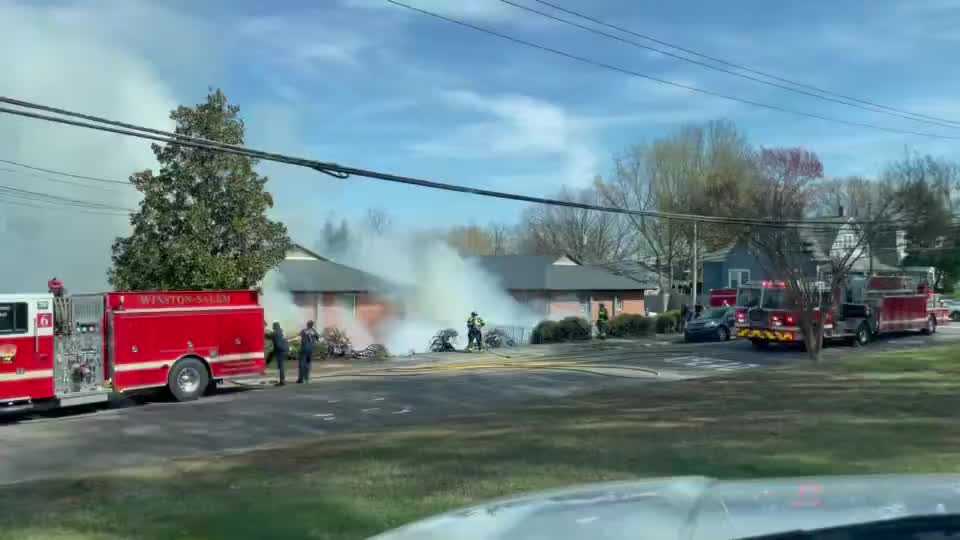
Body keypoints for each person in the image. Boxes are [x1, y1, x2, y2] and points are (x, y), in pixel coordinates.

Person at [266, 322, 289, 386]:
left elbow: (268, 336)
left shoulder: (275, 332)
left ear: (275, 327)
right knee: (272, 355)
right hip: (285, 349)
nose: (272, 327)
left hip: (280, 350)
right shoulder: (282, 331)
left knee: (281, 366)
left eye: (273, 326)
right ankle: (282, 380)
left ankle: (282, 381)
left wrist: (261, 331)